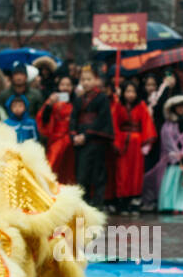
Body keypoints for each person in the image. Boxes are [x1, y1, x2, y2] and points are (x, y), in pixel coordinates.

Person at [110, 80, 157, 215]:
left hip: (137, 143)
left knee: (136, 172)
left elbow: (147, 123)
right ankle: (123, 201)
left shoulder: (141, 106)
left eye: (133, 91)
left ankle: (135, 200)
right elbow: (115, 124)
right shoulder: (118, 106)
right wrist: (116, 141)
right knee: (122, 172)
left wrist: (146, 142)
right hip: (123, 142)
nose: (130, 94)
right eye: (128, 91)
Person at [71, 67, 114, 208]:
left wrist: (87, 135)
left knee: (97, 173)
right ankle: (84, 203)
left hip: (96, 139)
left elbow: (102, 119)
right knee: (82, 174)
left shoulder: (102, 98)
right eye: (83, 79)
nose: (86, 82)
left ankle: (97, 203)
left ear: (96, 80)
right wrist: (74, 134)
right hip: (80, 140)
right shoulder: (78, 99)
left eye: (89, 79)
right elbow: (73, 118)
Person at [37, 73, 76, 185]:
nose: (65, 87)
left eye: (68, 85)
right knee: (52, 166)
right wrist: (50, 104)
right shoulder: (52, 102)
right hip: (55, 140)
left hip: (70, 141)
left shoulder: (76, 102)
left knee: (69, 170)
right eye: (62, 84)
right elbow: (43, 119)